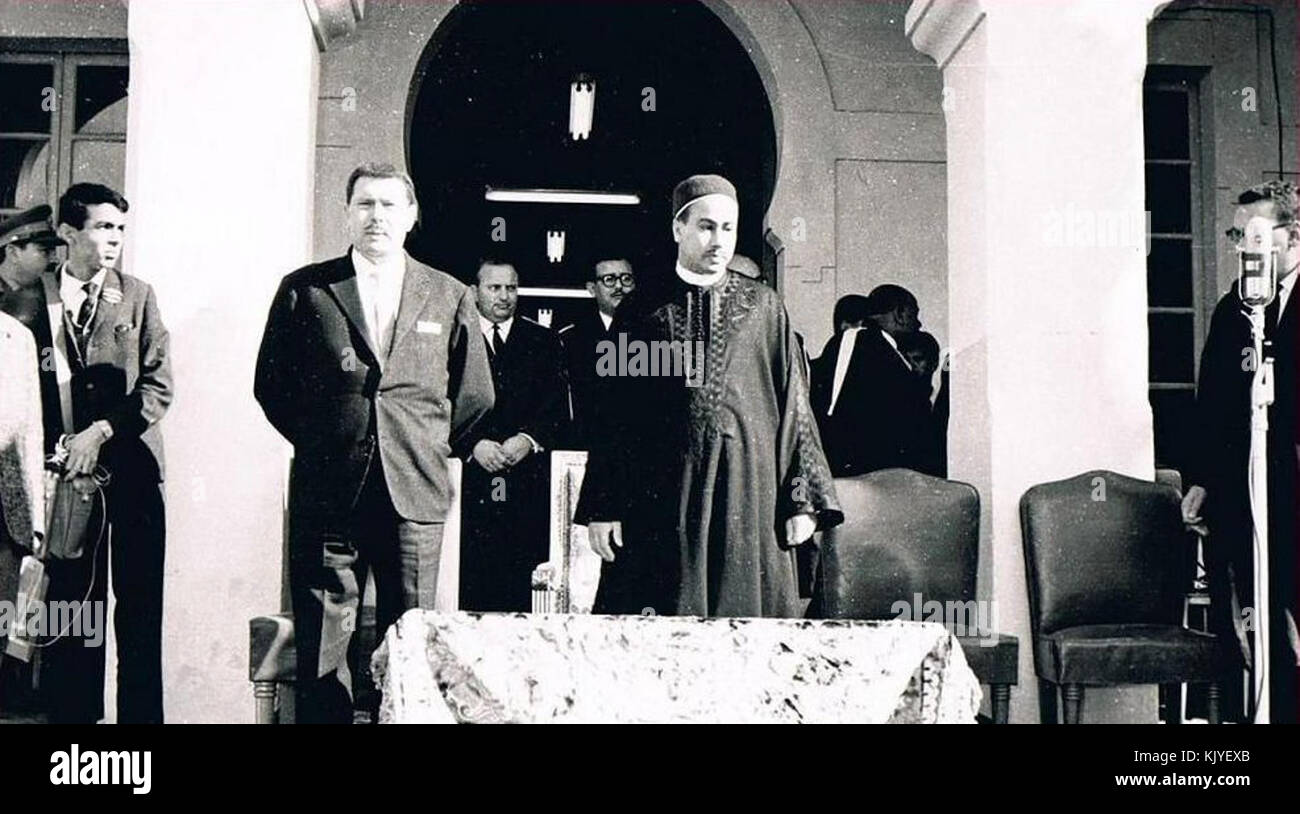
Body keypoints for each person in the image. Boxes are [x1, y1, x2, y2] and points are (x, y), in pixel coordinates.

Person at [254, 163, 494, 723]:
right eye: (365, 204)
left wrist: (421, 445)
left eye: (389, 205)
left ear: (412, 217)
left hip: (413, 492)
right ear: (348, 213)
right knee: (322, 646)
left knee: (407, 641)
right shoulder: (306, 290)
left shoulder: (449, 294)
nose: (377, 216)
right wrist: (326, 441)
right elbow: (272, 386)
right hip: (328, 493)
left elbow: (475, 395)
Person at [575, 174, 842, 618]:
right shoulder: (640, 312)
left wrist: (801, 500)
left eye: (728, 228)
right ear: (678, 229)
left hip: (748, 497)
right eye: (705, 226)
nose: (718, 239)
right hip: (660, 499)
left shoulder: (764, 308)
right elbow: (613, 418)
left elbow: (795, 406)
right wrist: (603, 506)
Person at [36, 183, 172, 724]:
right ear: (69, 233)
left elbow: (158, 387)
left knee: (139, 613)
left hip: (133, 478)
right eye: (102, 227)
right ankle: (72, 739)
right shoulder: (34, 302)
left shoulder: (137, 296)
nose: (114, 238)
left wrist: (102, 432)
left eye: (119, 228)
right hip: (66, 481)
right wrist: (64, 445)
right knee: (71, 612)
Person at [1182, 180, 1299, 723]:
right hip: (1244, 496)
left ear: (1290, 234)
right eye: (1236, 233)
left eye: (1251, 232)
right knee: (1252, 624)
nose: (1242, 246)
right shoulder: (1235, 308)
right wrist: (1202, 479)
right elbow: (1213, 400)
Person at [460, 259, 568, 612]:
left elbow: (556, 409)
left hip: (526, 480)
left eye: (511, 287)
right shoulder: (456, 339)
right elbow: (440, 402)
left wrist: (528, 439)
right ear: (474, 291)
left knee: (520, 580)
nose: (504, 296)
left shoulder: (544, 340)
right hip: (469, 481)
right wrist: (473, 445)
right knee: (469, 579)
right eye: (495, 288)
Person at [810, 284, 930, 476]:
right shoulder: (857, 340)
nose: (918, 324)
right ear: (899, 314)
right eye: (913, 314)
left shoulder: (884, 349)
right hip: (863, 473)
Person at [0, 312, 44, 716]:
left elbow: (32, 431)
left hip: (7, 513)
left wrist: (38, 518)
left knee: (7, 631)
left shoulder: (18, 337)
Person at [0, 204, 64, 453]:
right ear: (13, 251)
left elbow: (47, 366)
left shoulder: (45, 301)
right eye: (44, 251)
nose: (53, 258)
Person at [558, 258, 634, 449]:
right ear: (592, 288)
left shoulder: (655, 334)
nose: (619, 286)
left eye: (626, 279)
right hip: (586, 446)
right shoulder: (569, 339)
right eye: (609, 279)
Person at [898, 330, 947, 477]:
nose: (911, 367)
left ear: (934, 364)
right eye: (906, 360)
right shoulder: (899, 405)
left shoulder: (944, 399)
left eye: (918, 360)